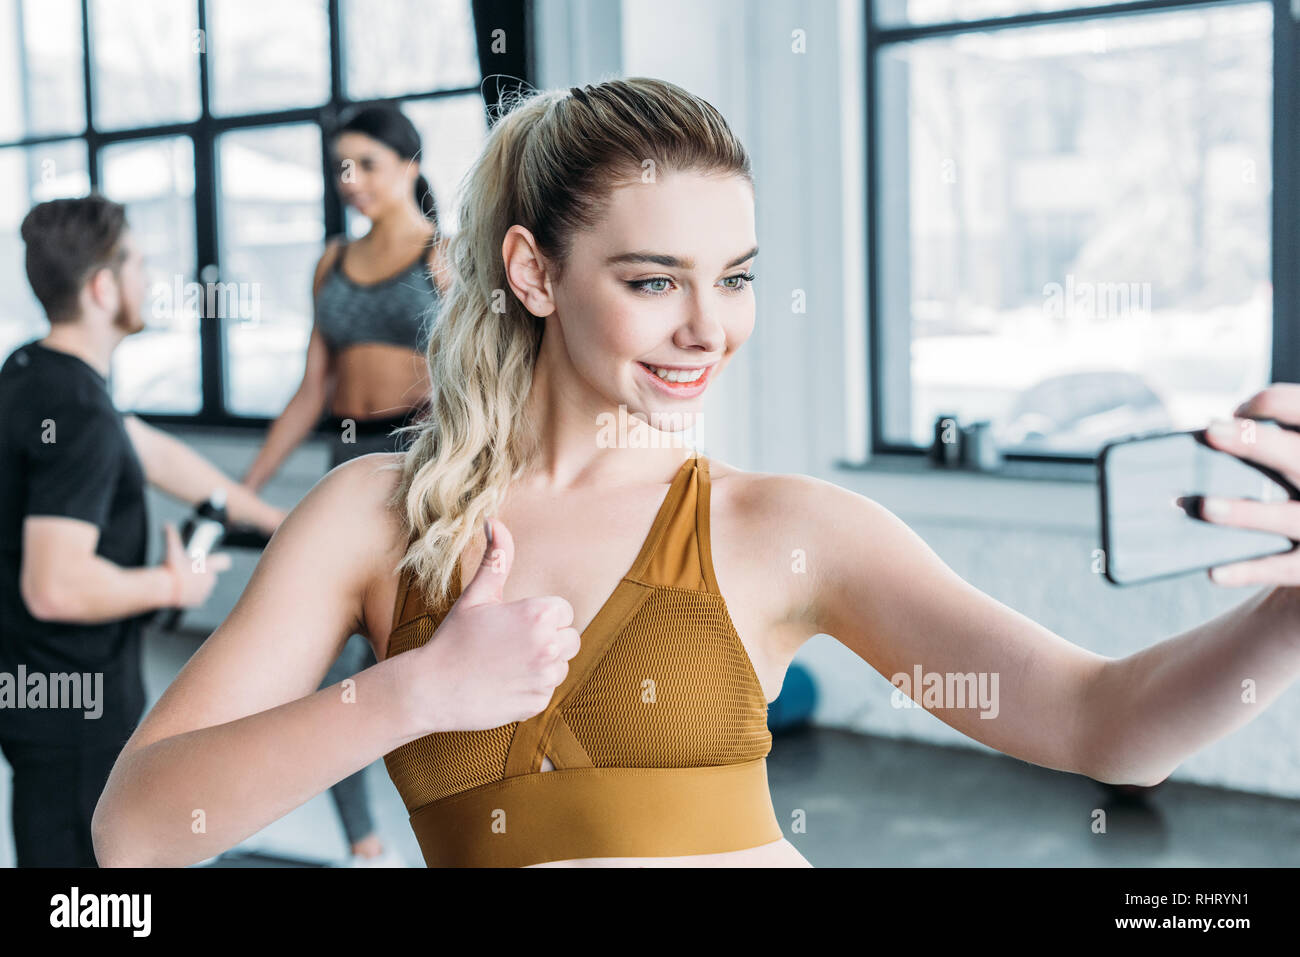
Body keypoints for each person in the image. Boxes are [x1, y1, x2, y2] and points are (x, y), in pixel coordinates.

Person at [91, 79, 1300, 868]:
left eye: (735, 277)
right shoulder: (373, 520)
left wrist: (1289, 615)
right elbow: (138, 830)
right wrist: (411, 694)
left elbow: (1110, 730)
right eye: (655, 279)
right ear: (533, 272)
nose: (709, 328)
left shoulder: (787, 531)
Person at [0, 194, 286, 867]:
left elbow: (148, 449)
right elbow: (55, 586)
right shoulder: (80, 415)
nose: (151, 280)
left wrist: (282, 520)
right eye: (141, 263)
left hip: (37, 692)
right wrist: (170, 582)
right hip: (74, 706)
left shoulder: (33, 372)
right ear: (104, 287)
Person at [241, 104, 447, 867]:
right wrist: (245, 486)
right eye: (342, 167)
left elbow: (482, 381)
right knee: (333, 673)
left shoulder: (444, 256)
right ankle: (369, 849)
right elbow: (310, 389)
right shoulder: (330, 261)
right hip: (344, 465)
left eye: (367, 163)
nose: (351, 181)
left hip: (420, 463)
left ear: (410, 165)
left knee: (419, 659)